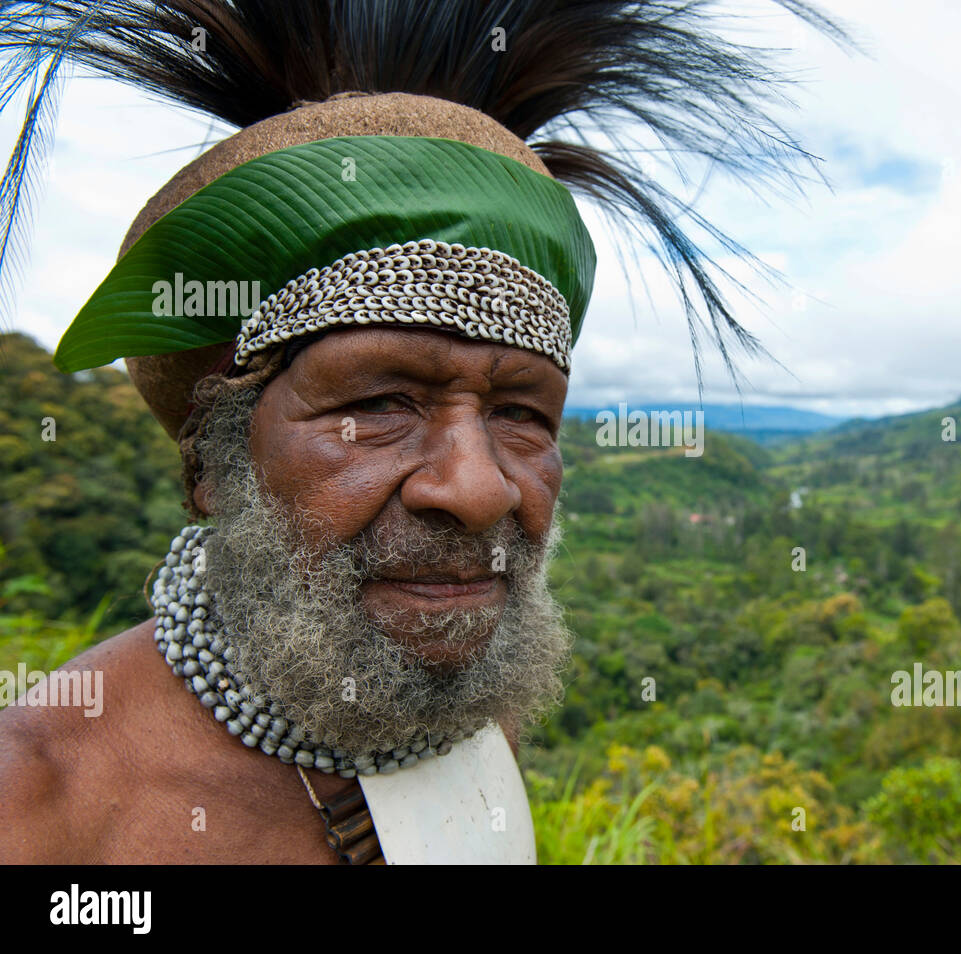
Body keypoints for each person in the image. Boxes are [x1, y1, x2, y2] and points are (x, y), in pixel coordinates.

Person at [0, 0, 856, 863]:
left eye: (522, 413)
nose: (479, 489)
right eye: (376, 405)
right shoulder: (40, 808)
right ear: (212, 459)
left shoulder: (477, 710)